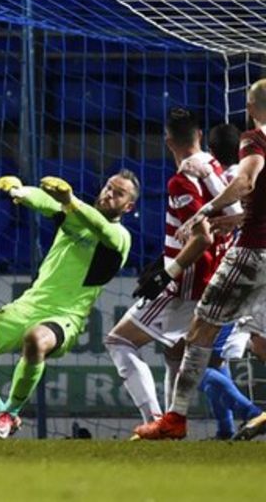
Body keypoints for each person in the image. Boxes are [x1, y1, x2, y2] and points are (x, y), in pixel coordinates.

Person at [0, 170, 138, 438]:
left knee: (36, 339)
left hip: (64, 317)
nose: (109, 193)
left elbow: (101, 228)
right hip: (26, 306)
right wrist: (20, 192)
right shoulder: (72, 217)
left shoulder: (120, 236)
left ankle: (10, 413)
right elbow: (47, 202)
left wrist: (71, 201)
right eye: (108, 187)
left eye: (119, 193)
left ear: (129, 206)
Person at [135, 79, 266, 440]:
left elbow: (246, 184)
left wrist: (207, 210)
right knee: (260, 342)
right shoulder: (208, 165)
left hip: (253, 253)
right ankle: (228, 423)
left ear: (251, 109)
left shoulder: (254, 140)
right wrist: (233, 219)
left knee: (197, 334)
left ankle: (175, 419)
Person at [105, 108, 240, 428]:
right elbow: (229, 218)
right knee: (179, 354)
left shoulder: (182, 180)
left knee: (119, 341)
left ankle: (157, 419)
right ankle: (174, 424)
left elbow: (202, 236)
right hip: (219, 275)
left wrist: (169, 271)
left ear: (168, 141)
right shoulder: (214, 167)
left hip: (187, 282)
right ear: (201, 136)